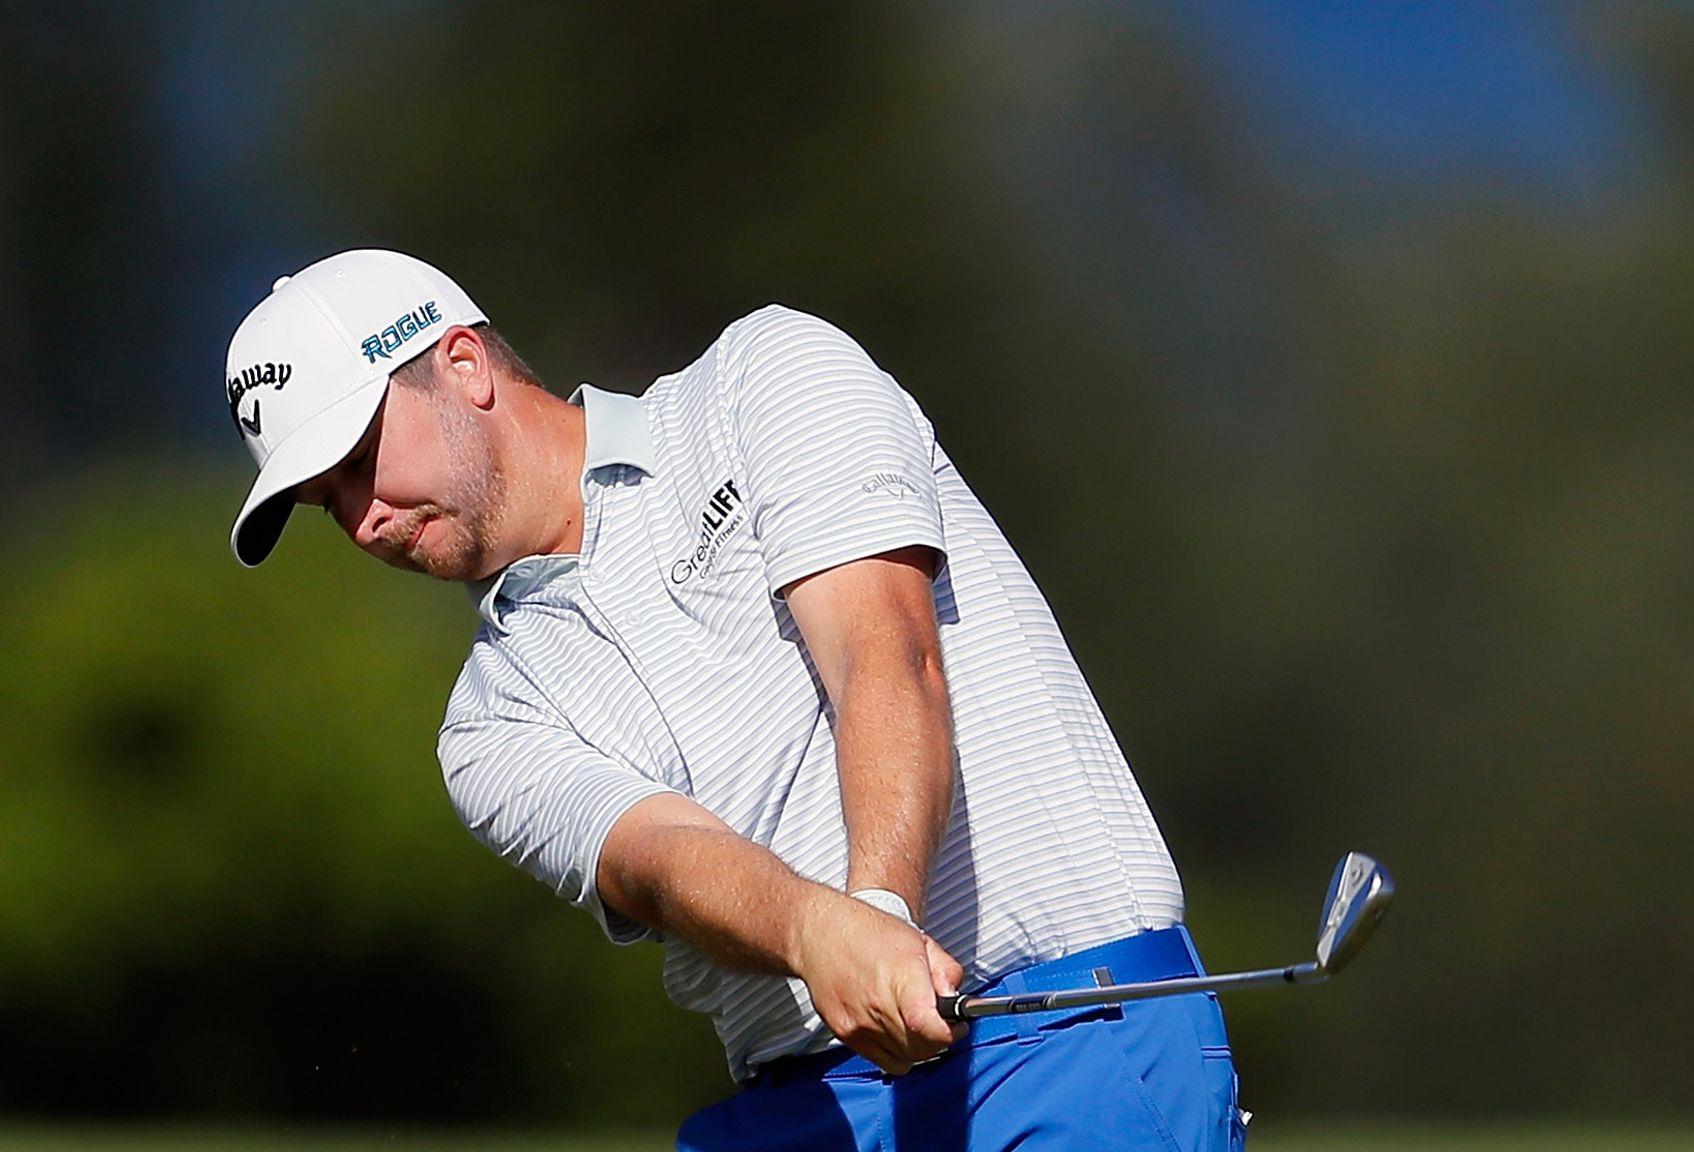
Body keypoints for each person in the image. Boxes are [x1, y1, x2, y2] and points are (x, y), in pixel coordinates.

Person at [223, 249, 1247, 1150]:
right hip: (808, 1106)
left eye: (360, 462)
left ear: (462, 365)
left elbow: (881, 652)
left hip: (1069, 1033)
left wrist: (875, 911)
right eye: (328, 503)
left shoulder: (764, 377)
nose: (360, 521)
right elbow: (660, 858)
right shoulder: (486, 724)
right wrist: (816, 933)